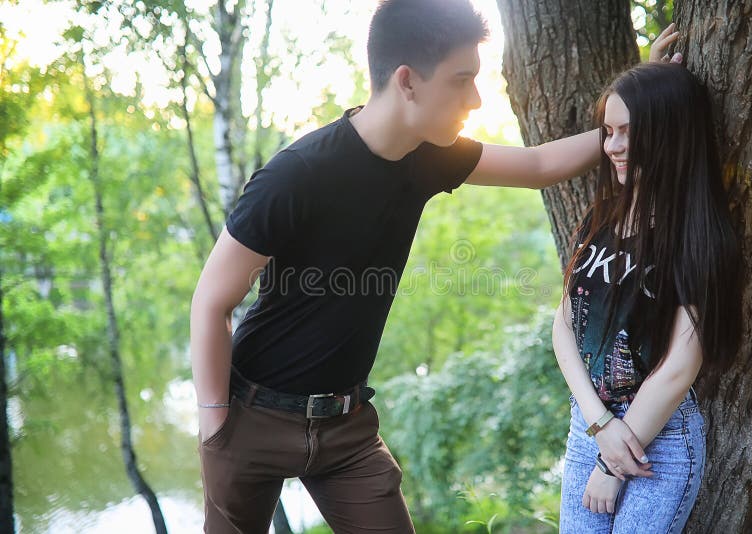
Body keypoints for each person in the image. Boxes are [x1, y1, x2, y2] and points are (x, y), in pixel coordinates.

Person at [189, 0, 664, 531]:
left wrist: (633, 119)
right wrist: (216, 424)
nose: (476, 98)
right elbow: (212, 301)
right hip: (252, 414)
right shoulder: (295, 177)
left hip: (346, 429)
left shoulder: (428, 155)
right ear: (407, 81)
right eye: (461, 81)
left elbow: (536, 166)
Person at [552, 58, 743, 531]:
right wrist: (598, 426)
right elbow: (563, 326)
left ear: (667, 134)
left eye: (626, 132)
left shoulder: (697, 237)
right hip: (589, 429)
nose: (612, 146)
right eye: (607, 131)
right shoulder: (598, 220)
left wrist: (610, 464)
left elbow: (681, 364)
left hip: (659, 443)